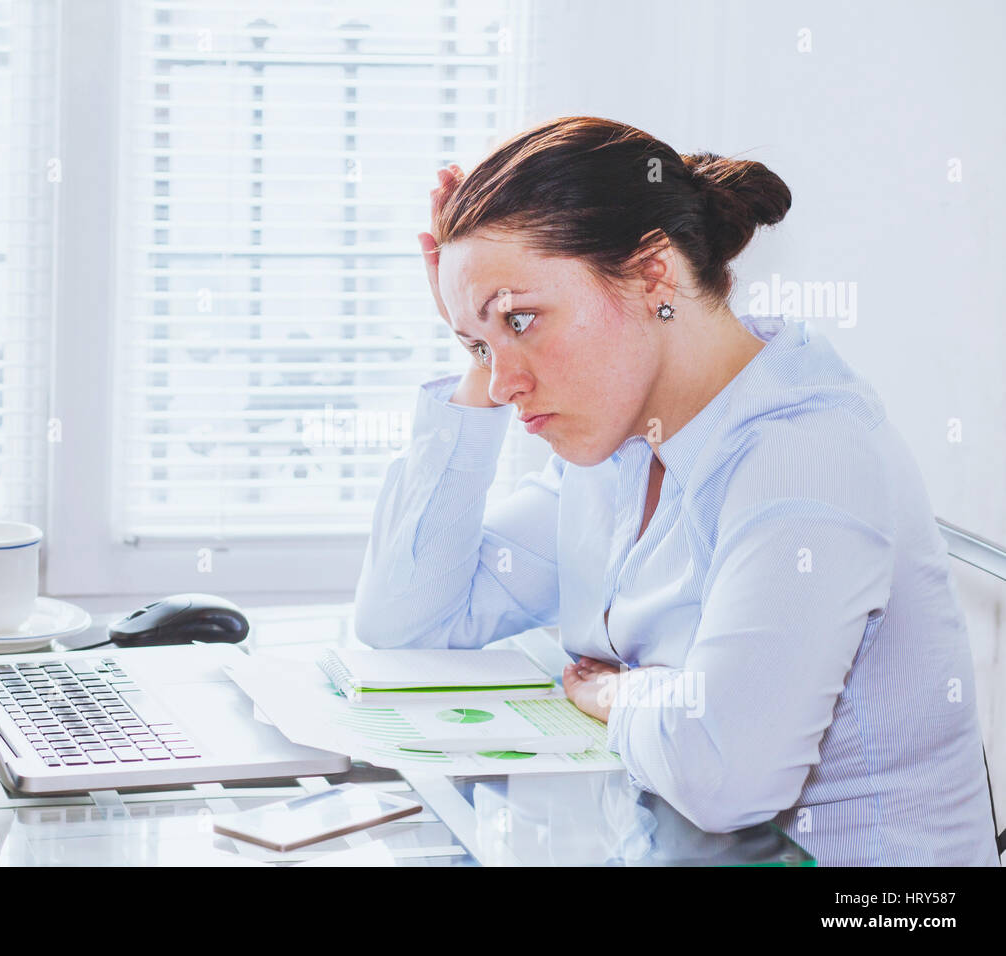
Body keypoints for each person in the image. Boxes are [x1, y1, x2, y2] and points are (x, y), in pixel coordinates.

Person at [352, 115, 1000, 866]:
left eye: (523, 319)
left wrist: (618, 696)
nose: (504, 384)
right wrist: (481, 340)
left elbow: (724, 774)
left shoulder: (805, 461)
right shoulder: (621, 443)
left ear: (654, 276)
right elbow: (408, 619)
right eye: (480, 346)